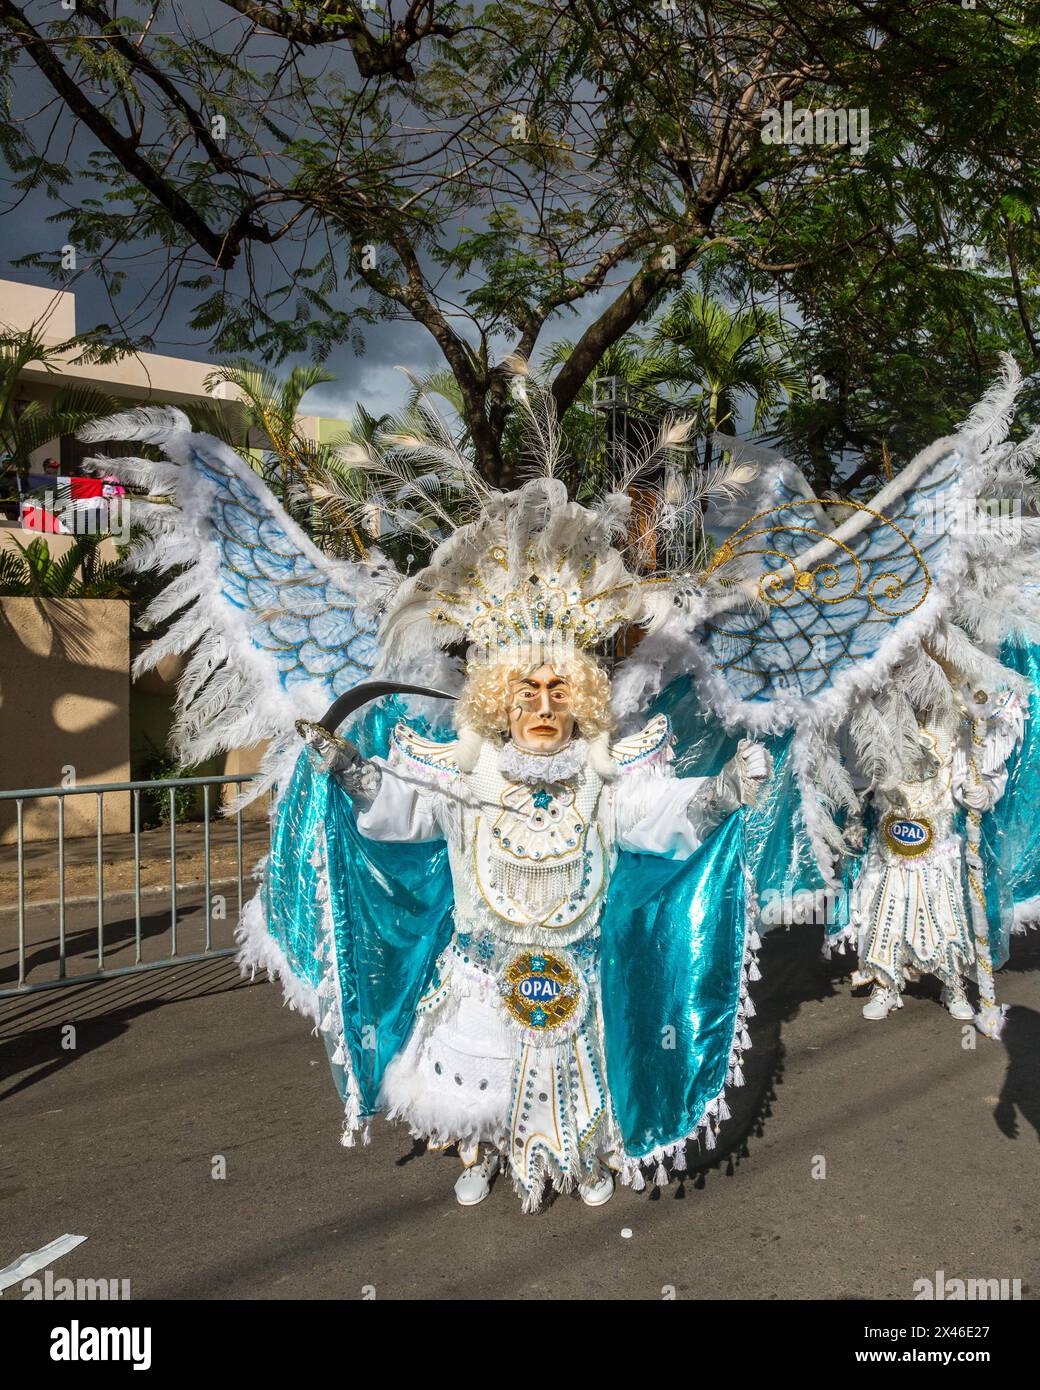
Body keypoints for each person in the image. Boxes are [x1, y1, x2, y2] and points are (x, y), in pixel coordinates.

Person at [303, 647, 769, 1208]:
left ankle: (583, 1154)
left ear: (583, 707)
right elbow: (405, 810)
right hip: (483, 972)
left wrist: (724, 790)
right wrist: (351, 770)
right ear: (502, 703)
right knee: (487, 1072)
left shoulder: (605, 784)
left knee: (580, 1074)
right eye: (528, 691)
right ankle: (486, 1150)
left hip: (576, 971)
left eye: (560, 691)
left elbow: (661, 814)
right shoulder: (464, 780)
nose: (544, 706)